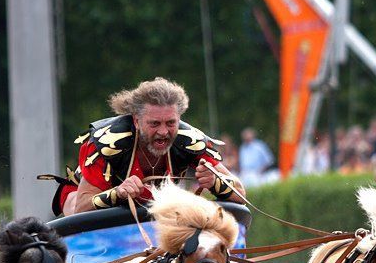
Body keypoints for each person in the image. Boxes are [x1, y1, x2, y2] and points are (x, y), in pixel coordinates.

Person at [59, 77, 243, 215]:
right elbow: (80, 209)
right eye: (154, 124)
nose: (163, 132)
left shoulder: (190, 140)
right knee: (71, 204)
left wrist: (215, 182)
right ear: (136, 121)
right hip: (82, 198)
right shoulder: (106, 143)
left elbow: (240, 193)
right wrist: (117, 193)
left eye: (171, 123)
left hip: (150, 206)